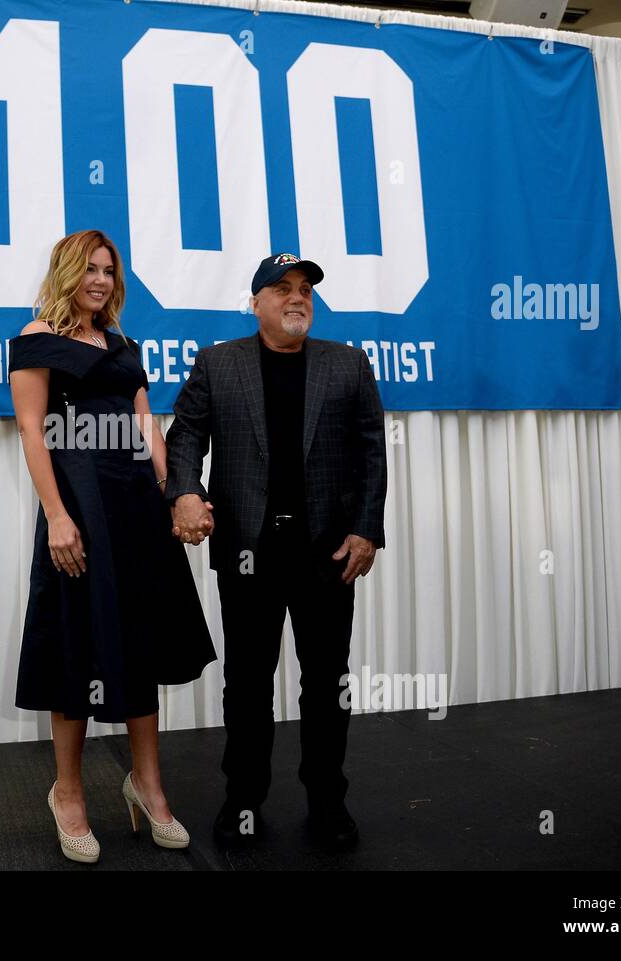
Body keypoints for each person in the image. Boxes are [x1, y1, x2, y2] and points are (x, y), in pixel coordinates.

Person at [164, 252, 387, 851]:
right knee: (247, 683)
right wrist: (185, 490)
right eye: (282, 289)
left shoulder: (348, 365)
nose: (297, 298)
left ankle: (327, 801)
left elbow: (372, 453)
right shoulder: (218, 363)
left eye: (306, 291)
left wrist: (366, 530)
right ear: (256, 301)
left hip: (329, 553)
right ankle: (242, 801)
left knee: (326, 682)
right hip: (248, 553)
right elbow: (185, 435)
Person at [8, 229, 216, 864]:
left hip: (135, 509)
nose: (100, 279)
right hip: (79, 505)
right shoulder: (35, 338)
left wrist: (176, 490)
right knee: (78, 643)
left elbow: (144, 422)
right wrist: (57, 516)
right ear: (67, 272)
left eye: (107, 269)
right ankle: (67, 792)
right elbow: (31, 428)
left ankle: (147, 784)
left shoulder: (123, 344)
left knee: (141, 641)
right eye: (89, 269)